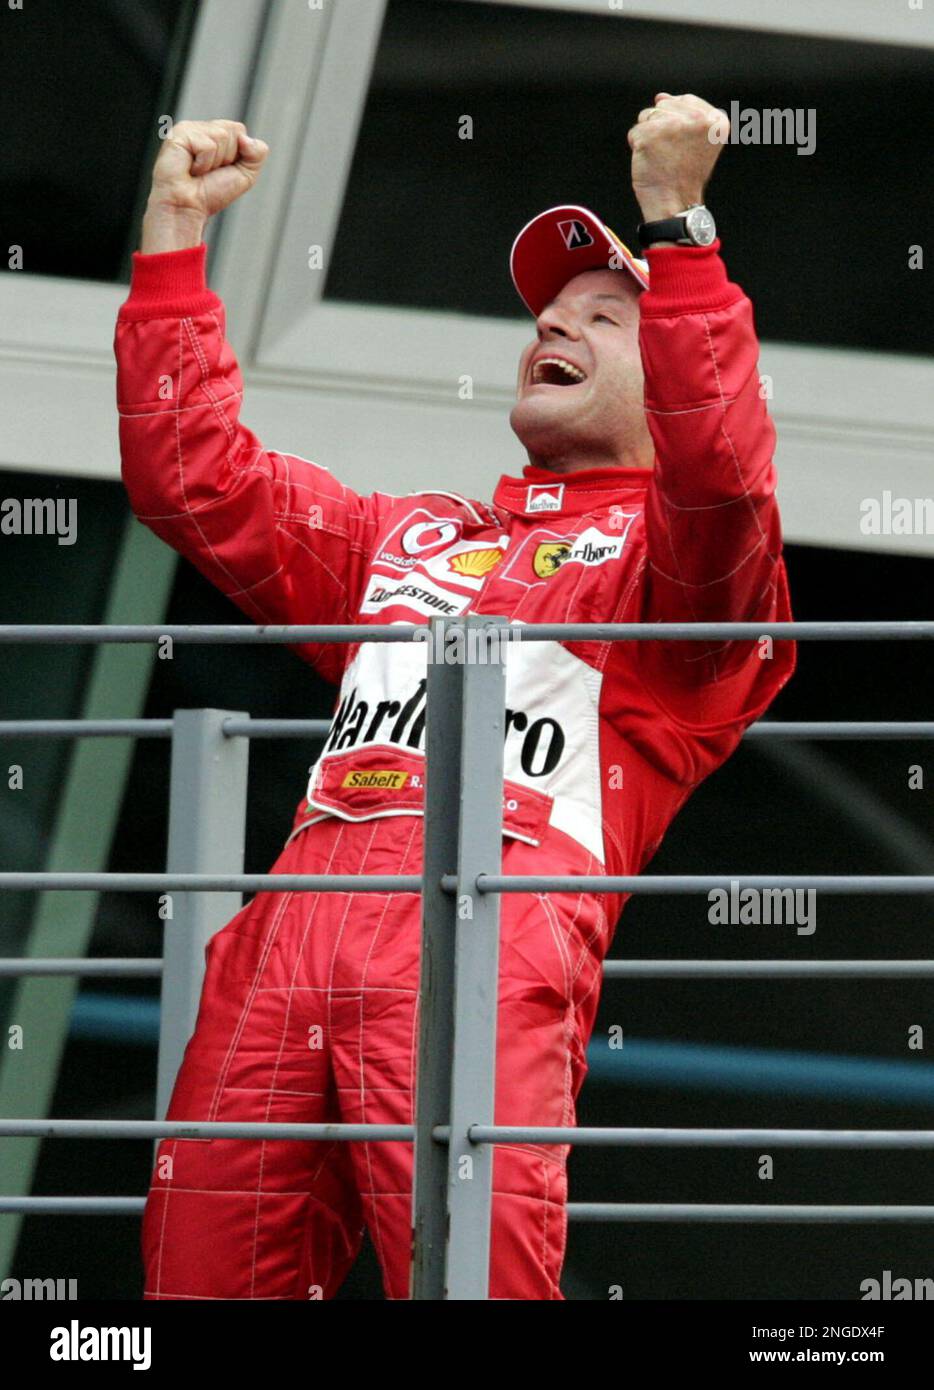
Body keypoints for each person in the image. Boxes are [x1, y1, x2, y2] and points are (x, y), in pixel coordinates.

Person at [116, 93, 795, 1300]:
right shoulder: (415, 535)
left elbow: (724, 482)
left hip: (484, 941)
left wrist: (680, 229)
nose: (554, 319)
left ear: (674, 367)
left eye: (604, 313)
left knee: (475, 1286)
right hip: (283, 943)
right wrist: (173, 239)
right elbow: (196, 482)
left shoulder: (681, 583)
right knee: (193, 1288)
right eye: (548, 309)